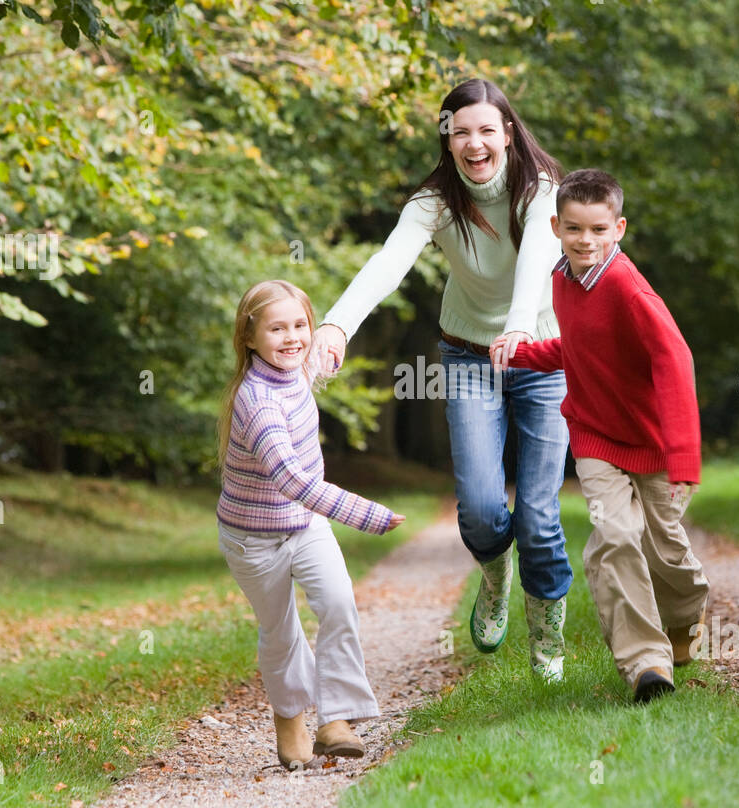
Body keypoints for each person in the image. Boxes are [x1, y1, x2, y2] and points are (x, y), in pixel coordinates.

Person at [311, 78, 573, 682]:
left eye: (487, 130)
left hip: (541, 356)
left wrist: (516, 330)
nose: (474, 143)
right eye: (462, 132)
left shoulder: (543, 194)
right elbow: (389, 262)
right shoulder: (433, 202)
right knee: (482, 511)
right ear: (448, 139)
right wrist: (336, 325)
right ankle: (494, 573)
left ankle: (547, 643)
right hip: (466, 358)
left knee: (538, 514)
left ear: (507, 134)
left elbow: (537, 257)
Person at [491, 169, 710, 703]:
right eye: (573, 229)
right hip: (593, 435)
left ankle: (683, 625)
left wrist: (682, 458)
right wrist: (521, 353)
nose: (584, 240)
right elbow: (578, 350)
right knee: (613, 538)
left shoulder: (628, 289)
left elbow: (675, 360)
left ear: (619, 229)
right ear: (556, 227)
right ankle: (646, 665)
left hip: (653, 443)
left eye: (596, 229)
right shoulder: (562, 279)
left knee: (669, 553)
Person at [215, 280, 405, 770]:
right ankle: (290, 718)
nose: (293, 337)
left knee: (339, 602)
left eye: (300, 325)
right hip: (252, 538)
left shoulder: (299, 364)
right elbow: (293, 482)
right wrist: (370, 515)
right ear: (249, 336)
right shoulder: (257, 403)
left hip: (306, 526)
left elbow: (327, 350)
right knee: (281, 631)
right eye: (277, 328)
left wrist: (334, 333)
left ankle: (336, 718)